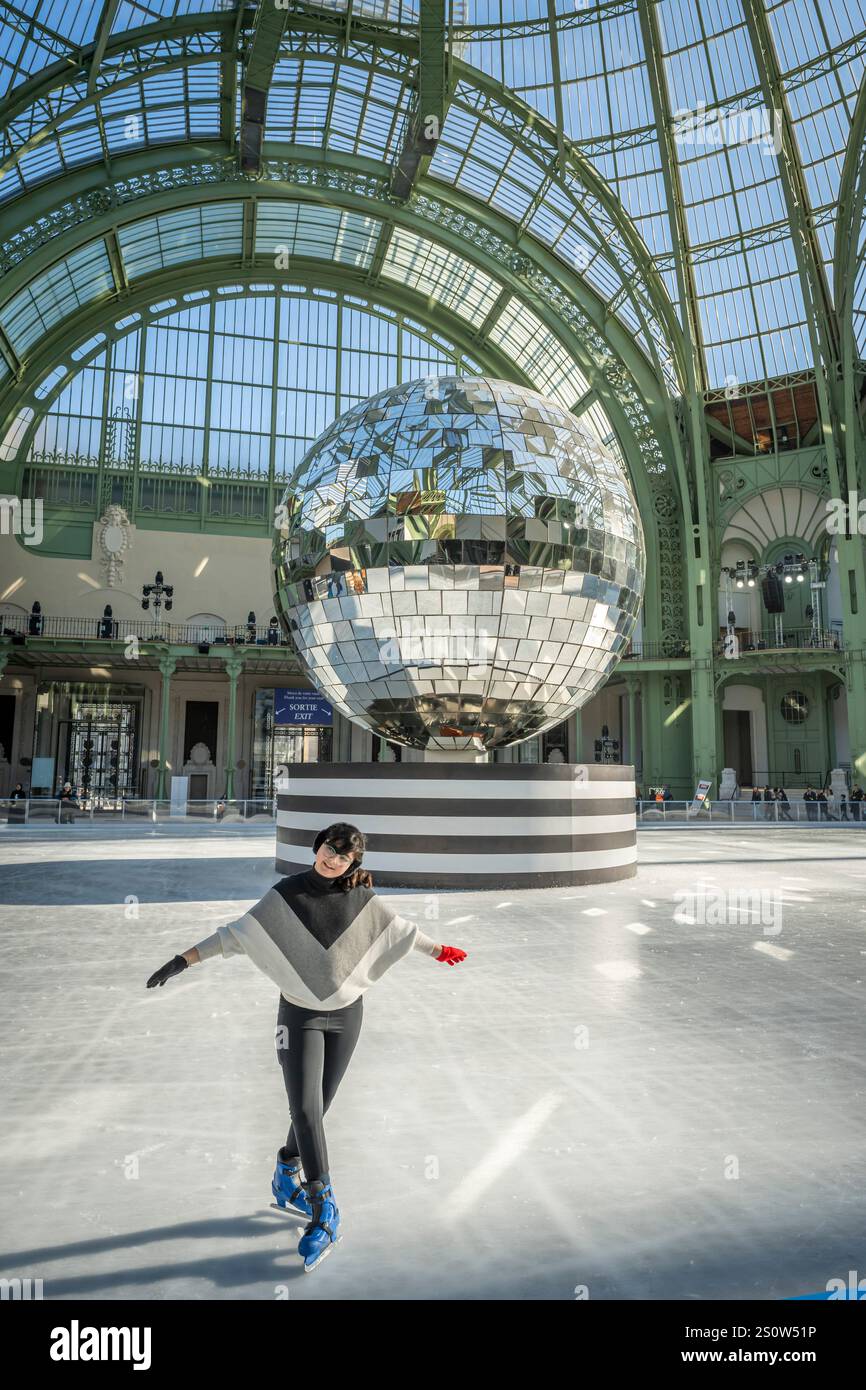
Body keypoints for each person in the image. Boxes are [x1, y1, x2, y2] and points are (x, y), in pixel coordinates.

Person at [146, 823, 467, 1273]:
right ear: (317, 846)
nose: (334, 860)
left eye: (345, 856)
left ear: (355, 862)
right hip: (299, 1016)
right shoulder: (287, 895)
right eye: (330, 849)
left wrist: (439, 951)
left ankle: (286, 1169)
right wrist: (183, 960)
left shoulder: (361, 899)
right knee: (306, 1107)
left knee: (322, 1103)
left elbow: (401, 933)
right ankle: (324, 1207)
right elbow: (234, 935)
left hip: (347, 1016)